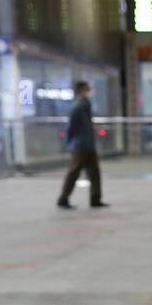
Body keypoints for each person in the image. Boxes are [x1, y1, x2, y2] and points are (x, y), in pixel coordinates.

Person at [57, 80, 106, 209]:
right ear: (80, 92)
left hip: (89, 145)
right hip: (79, 146)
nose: (88, 92)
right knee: (74, 172)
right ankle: (63, 198)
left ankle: (95, 198)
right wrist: (69, 143)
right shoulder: (77, 107)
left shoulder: (86, 105)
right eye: (86, 90)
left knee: (94, 173)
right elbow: (70, 128)